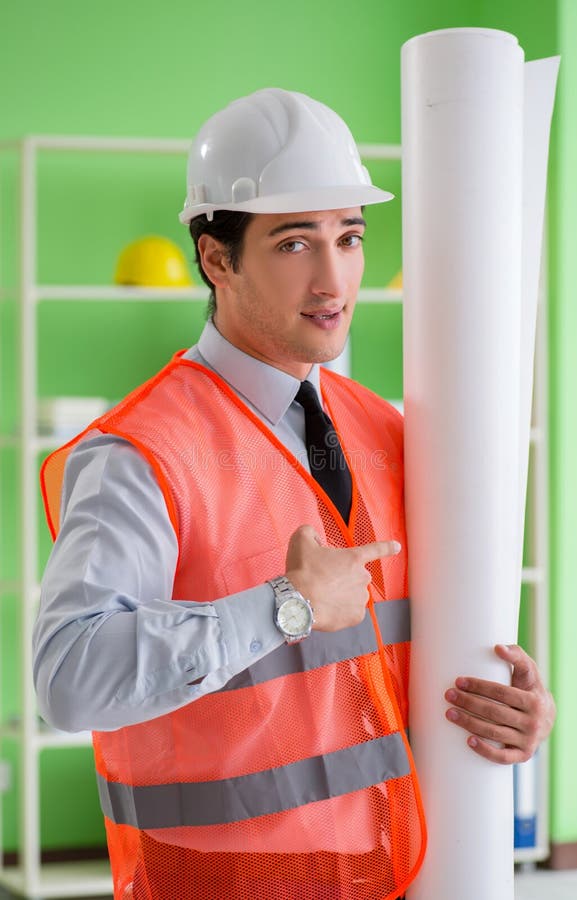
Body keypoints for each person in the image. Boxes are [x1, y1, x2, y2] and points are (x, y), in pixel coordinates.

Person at [33, 88, 556, 900]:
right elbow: (68, 680)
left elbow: (392, 656)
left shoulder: (382, 428)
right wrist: (284, 606)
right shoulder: (141, 455)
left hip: (390, 874)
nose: (332, 278)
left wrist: (509, 714)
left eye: (348, 238)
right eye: (292, 244)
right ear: (216, 258)